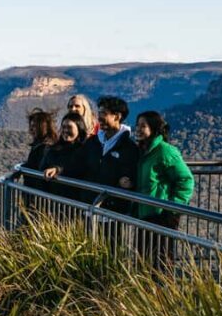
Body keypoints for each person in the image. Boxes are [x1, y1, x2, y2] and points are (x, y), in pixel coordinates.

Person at [121, 111, 194, 267]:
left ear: (153, 129)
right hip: (144, 214)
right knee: (143, 261)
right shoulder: (143, 152)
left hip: (162, 216)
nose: (138, 129)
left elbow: (186, 180)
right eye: (137, 125)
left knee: (161, 261)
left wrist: (172, 208)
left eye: (143, 126)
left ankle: (162, 291)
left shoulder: (164, 151)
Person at [50, 96, 138, 215]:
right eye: (99, 113)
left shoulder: (129, 148)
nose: (99, 117)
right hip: (88, 207)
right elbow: (77, 163)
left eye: (104, 113)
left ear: (117, 116)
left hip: (113, 214)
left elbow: (132, 174)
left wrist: (127, 180)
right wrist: (59, 169)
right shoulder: (93, 142)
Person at [41, 112, 88, 199]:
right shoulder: (53, 149)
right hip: (51, 200)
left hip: (74, 202)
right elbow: (42, 168)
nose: (66, 130)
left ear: (79, 128)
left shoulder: (86, 150)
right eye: (63, 127)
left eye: (69, 127)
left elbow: (79, 169)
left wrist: (58, 170)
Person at [22, 108, 58, 192]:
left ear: (43, 127)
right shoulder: (39, 145)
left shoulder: (46, 147)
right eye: (30, 126)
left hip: (38, 195)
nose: (31, 130)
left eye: (34, 126)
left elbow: (39, 169)